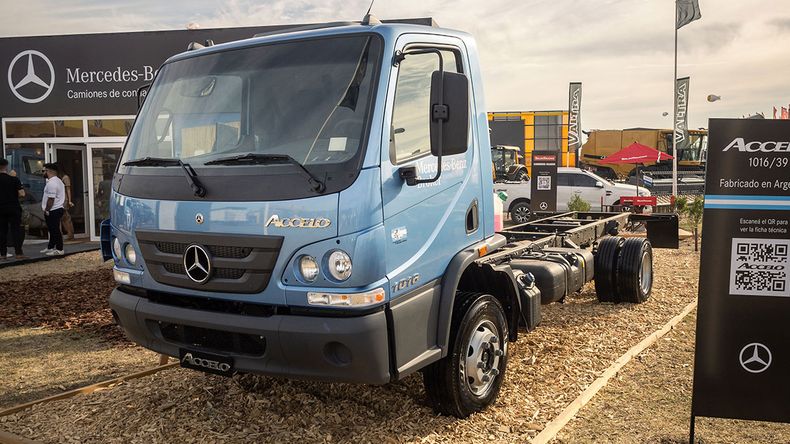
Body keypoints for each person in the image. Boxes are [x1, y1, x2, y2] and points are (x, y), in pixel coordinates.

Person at [0, 158, 26, 260]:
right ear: (6, 166)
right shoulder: (14, 179)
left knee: (2, 231)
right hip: (13, 207)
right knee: (16, 230)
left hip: (0, 208)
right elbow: (22, 194)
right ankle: (18, 253)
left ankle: (3, 254)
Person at [41, 163, 66, 256]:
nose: (42, 173)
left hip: (53, 209)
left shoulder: (52, 183)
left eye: (44, 171)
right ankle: (51, 246)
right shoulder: (57, 181)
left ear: (49, 171)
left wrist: (47, 209)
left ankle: (59, 249)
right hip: (55, 208)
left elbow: (51, 199)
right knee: (52, 229)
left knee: (55, 229)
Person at [60, 172, 75, 241]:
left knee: (65, 217)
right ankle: (69, 234)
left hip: (63, 199)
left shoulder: (65, 177)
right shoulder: (57, 178)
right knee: (64, 217)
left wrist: (69, 200)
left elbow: (68, 189)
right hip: (60, 199)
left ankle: (70, 234)